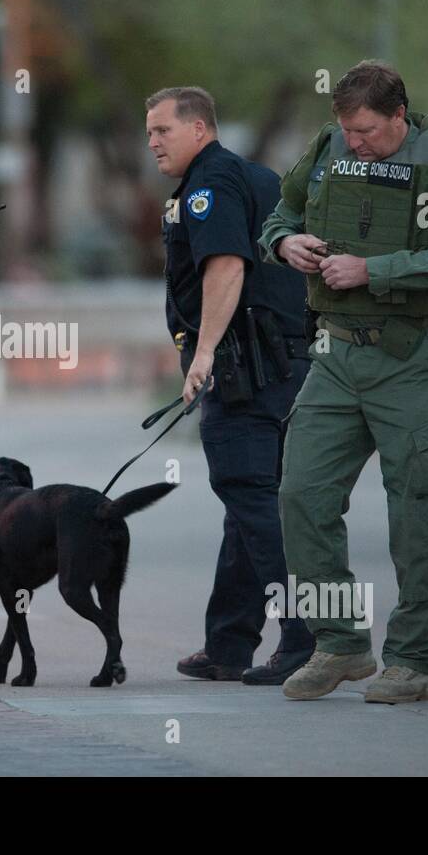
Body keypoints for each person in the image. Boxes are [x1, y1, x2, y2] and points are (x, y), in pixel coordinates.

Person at [259, 60, 428, 704]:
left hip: (411, 358)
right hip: (334, 356)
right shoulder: (329, 145)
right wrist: (285, 244)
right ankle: (339, 644)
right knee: (301, 495)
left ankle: (410, 661)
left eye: (366, 130)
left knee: (414, 511)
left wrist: (372, 270)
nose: (354, 142)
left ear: (398, 116)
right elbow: (282, 210)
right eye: (346, 130)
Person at [147, 86, 316, 685]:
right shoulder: (262, 177)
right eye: (149, 133)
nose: (153, 142)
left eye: (163, 130)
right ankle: (229, 643)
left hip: (245, 369)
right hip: (292, 365)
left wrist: (206, 354)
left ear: (199, 128)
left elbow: (226, 265)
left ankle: (305, 635)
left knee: (250, 497)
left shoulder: (208, 186)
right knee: (250, 502)